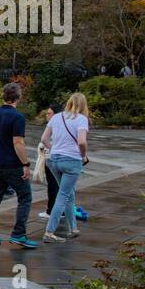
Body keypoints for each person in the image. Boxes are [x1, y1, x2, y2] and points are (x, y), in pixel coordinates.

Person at [0, 82, 38, 249]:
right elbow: (18, 142)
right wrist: (25, 163)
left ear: (3, 96)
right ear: (18, 97)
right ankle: (19, 234)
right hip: (13, 166)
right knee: (25, 197)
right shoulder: (18, 117)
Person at [39, 92, 90, 244]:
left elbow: (43, 139)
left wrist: (54, 148)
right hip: (71, 161)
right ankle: (49, 232)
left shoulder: (56, 117)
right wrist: (83, 155)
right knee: (63, 195)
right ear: (83, 105)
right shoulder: (82, 119)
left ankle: (72, 228)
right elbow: (81, 142)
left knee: (68, 193)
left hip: (53, 160)